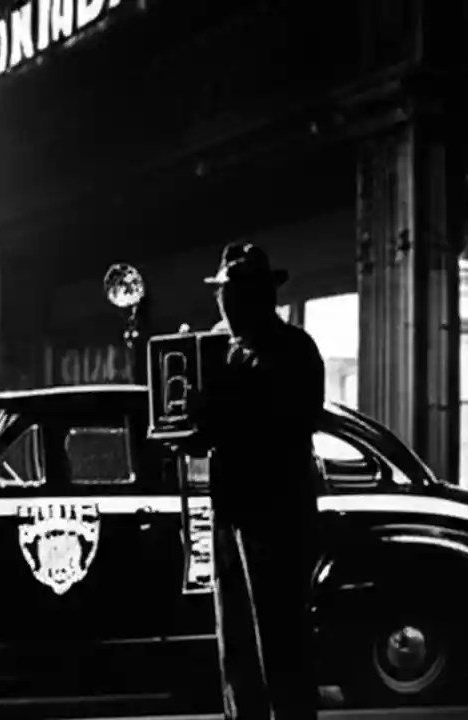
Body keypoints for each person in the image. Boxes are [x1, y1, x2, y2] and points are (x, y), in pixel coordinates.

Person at [186, 241, 326, 720]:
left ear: (259, 297)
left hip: (275, 512)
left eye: (230, 293)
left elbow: (286, 423)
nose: (222, 304)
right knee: (238, 641)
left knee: (279, 640)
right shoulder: (227, 351)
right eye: (221, 294)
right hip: (231, 509)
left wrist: (214, 410)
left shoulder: (292, 350)